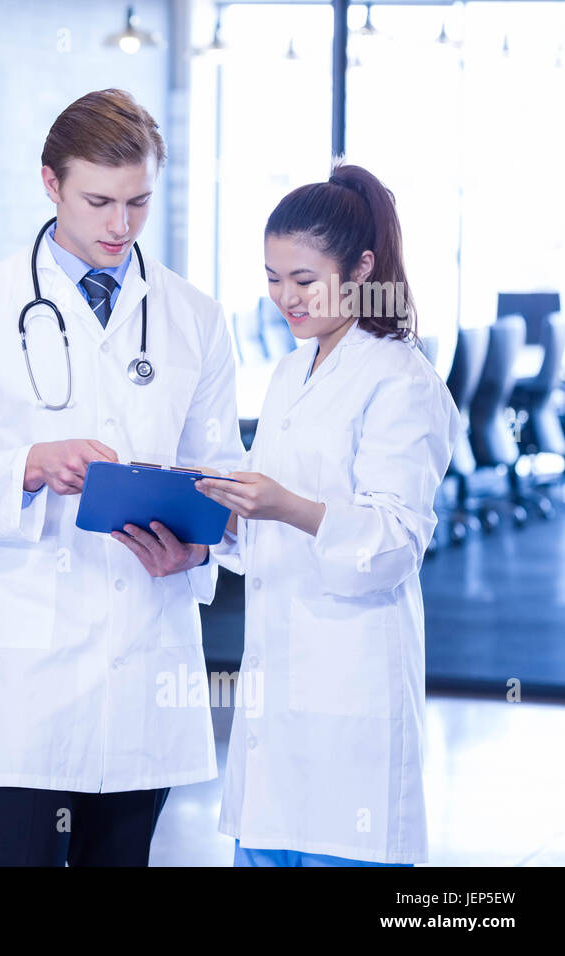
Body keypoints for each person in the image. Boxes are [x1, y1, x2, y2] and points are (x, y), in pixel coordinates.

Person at [0, 89, 244, 866]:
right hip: (32, 661)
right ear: (50, 183)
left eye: (138, 202)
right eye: (98, 200)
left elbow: (225, 477)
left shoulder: (197, 318)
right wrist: (30, 467)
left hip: (147, 643)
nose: (119, 226)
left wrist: (197, 552)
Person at [195, 163, 459, 866]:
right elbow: (264, 541)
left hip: (353, 703)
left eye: (304, 280)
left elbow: (397, 543)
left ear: (362, 267)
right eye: (273, 277)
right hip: (274, 713)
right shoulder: (291, 371)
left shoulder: (403, 381)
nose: (285, 297)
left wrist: (288, 506)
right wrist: (216, 522)